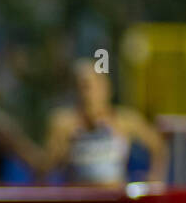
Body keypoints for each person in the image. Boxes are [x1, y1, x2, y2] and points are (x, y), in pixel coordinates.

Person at [45, 58, 167, 186]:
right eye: (80, 87)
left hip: (113, 200)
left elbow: (158, 147)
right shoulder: (63, 123)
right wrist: (61, 154)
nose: (87, 94)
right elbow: (45, 168)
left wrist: (155, 177)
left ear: (106, 88)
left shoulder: (125, 120)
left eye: (90, 86)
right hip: (79, 201)